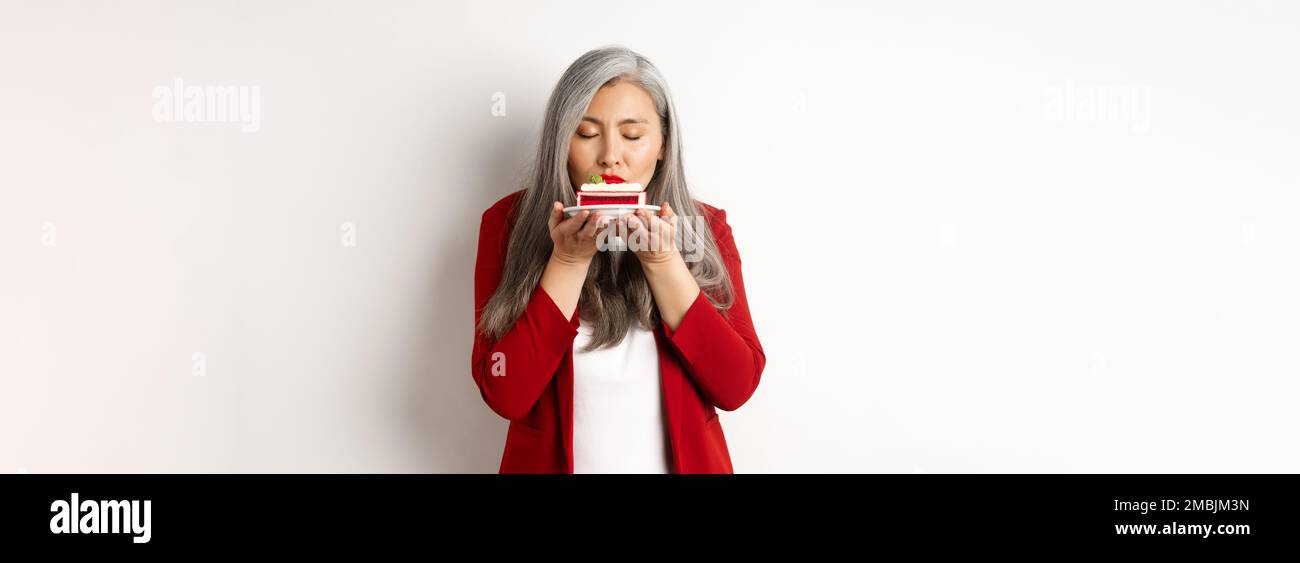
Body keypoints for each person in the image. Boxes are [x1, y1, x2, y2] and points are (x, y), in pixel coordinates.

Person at [471, 45, 765, 473]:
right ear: (560, 142)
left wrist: (664, 264)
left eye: (632, 136)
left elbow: (736, 385)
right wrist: (568, 263)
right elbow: (506, 392)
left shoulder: (706, 229)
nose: (610, 156)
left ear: (662, 144)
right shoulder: (507, 226)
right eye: (586, 133)